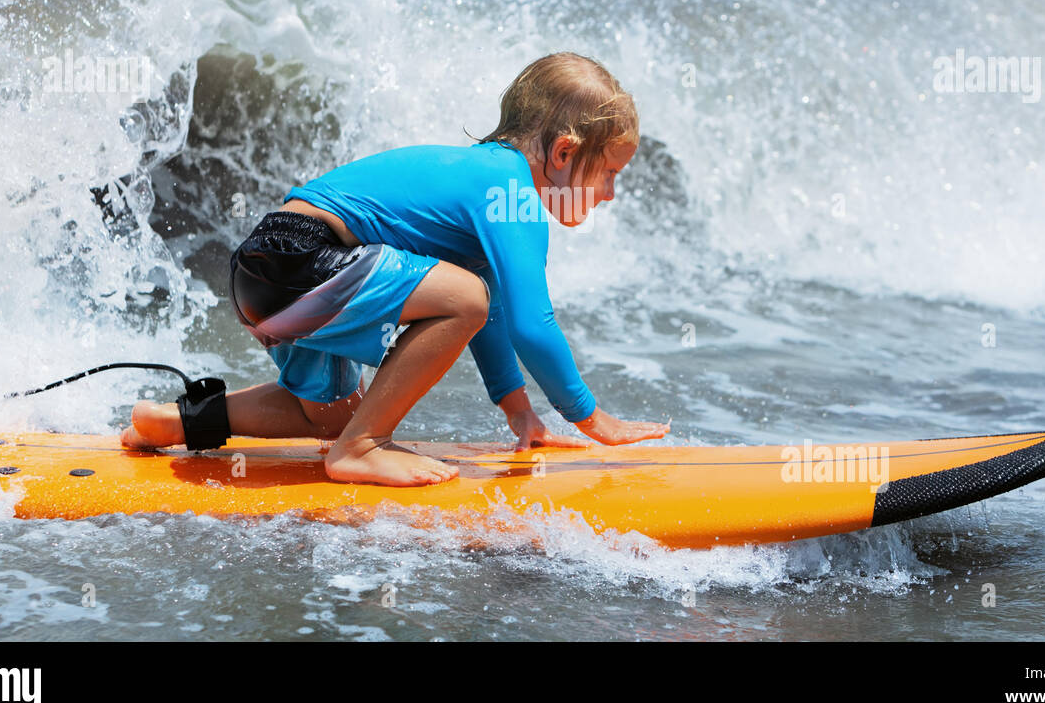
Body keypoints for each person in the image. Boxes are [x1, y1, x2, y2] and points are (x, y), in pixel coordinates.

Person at [121, 51, 669, 486]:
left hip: (264, 274)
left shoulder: (484, 179)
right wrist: (590, 417)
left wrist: (521, 414)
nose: (611, 194)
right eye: (610, 174)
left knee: (330, 417)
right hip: (301, 258)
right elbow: (531, 323)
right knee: (465, 297)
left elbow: (494, 314)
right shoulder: (511, 192)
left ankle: (173, 422)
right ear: (565, 153)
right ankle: (360, 450)